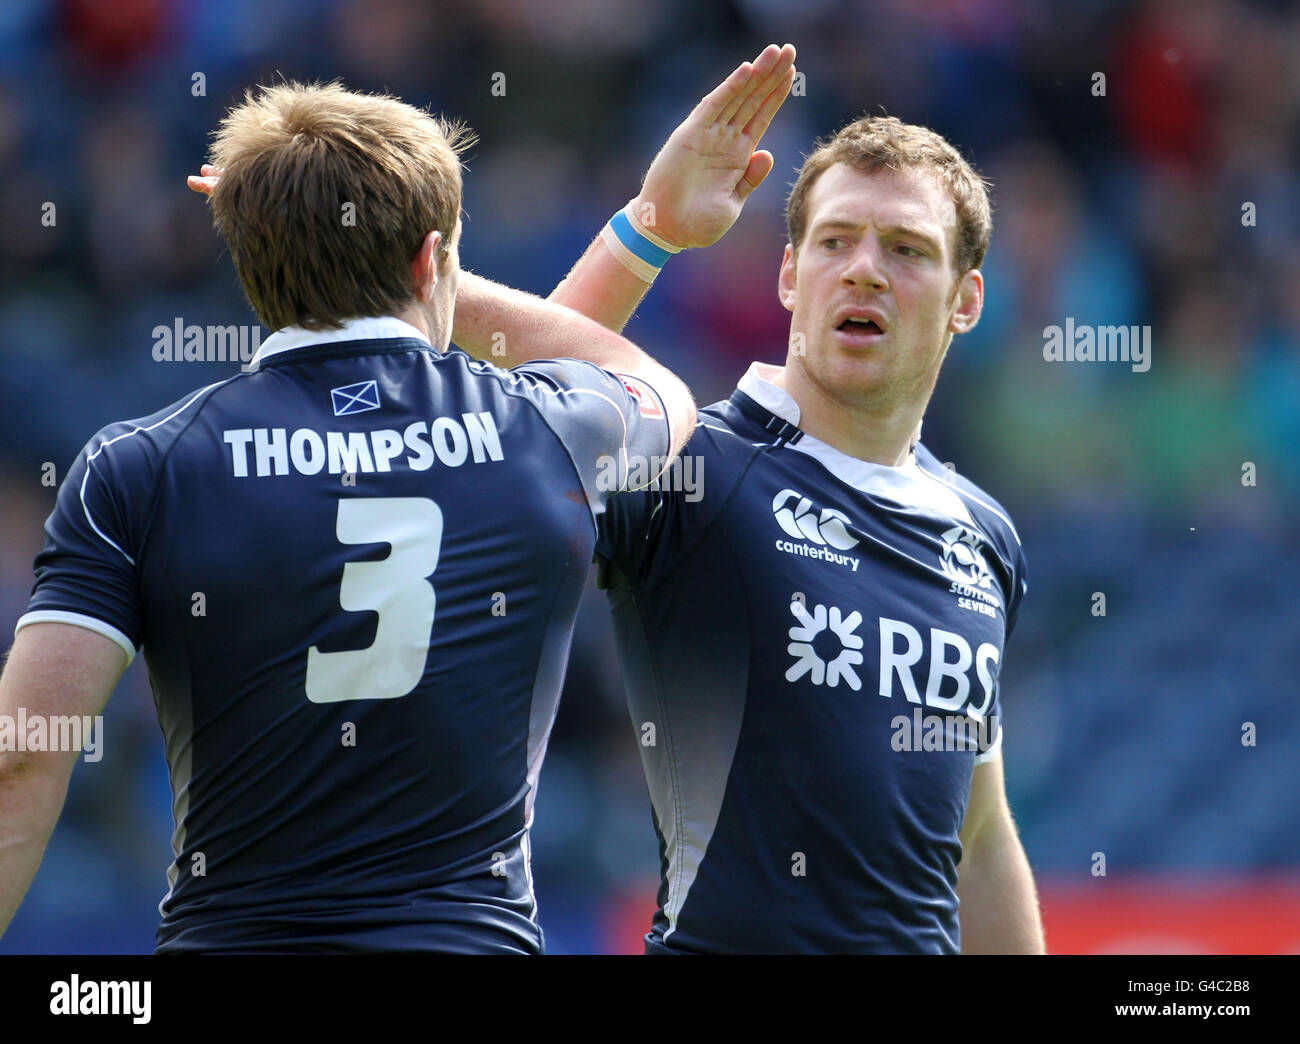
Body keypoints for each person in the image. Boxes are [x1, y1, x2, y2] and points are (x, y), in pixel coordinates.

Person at [0, 81, 695, 953]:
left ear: (248, 257)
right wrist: (429, 264)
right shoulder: (541, 428)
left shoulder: (140, 465)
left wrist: (307, 241)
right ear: (428, 258)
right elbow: (655, 387)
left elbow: (24, 758)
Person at [546, 46, 1047, 953]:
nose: (864, 270)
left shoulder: (984, 536)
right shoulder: (693, 459)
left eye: (906, 250)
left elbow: (978, 833)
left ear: (966, 300)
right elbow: (515, 405)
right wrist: (652, 226)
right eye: (835, 241)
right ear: (789, 277)